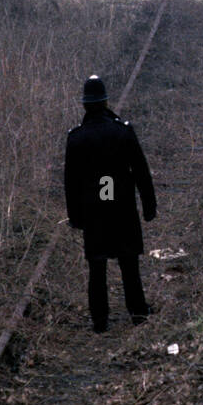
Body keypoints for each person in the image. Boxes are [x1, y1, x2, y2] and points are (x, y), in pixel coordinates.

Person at [64, 75, 157, 332]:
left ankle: (100, 320)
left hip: (94, 212)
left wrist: (75, 217)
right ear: (105, 102)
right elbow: (141, 171)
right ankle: (138, 312)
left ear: (84, 105)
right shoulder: (123, 131)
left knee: (97, 265)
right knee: (129, 262)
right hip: (123, 208)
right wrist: (149, 206)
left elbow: (70, 183)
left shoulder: (76, 138)